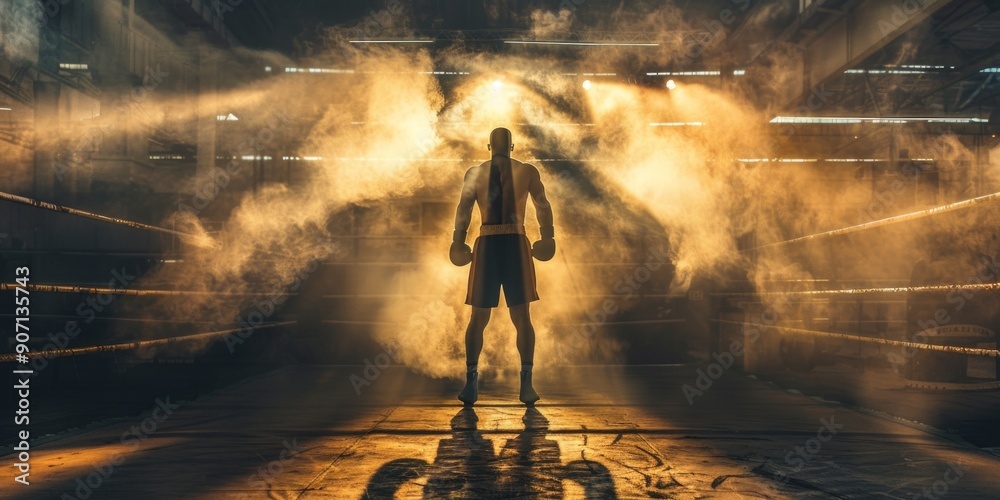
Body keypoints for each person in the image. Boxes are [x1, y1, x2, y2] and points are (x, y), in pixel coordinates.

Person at [450, 127, 555, 406]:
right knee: (511, 317)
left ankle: (482, 383)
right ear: (512, 146)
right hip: (509, 243)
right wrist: (547, 236)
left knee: (485, 317)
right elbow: (542, 205)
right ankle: (518, 384)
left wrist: (458, 241)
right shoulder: (526, 171)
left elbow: (463, 209)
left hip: (496, 243)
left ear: (488, 146)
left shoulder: (482, 172)